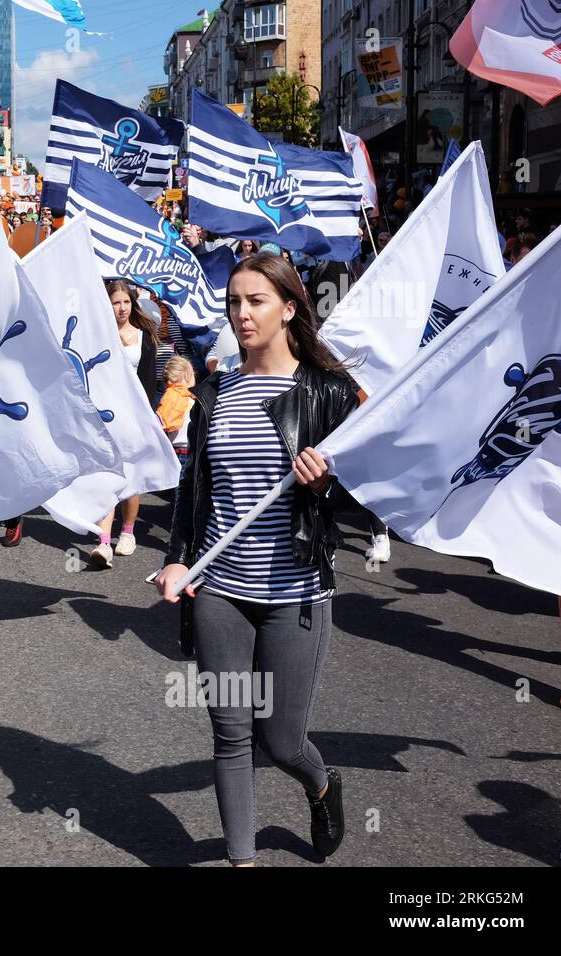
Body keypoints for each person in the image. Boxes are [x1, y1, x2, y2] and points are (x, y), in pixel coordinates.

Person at [155, 252, 357, 867]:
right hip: (220, 591)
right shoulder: (215, 392)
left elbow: (362, 496)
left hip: (295, 593)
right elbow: (196, 491)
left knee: (281, 739)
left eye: (256, 301)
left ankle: (322, 786)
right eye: (234, 302)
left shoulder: (325, 392)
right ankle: (242, 861)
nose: (242, 314)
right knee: (231, 734)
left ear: (290, 308)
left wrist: (325, 485)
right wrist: (177, 559)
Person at [91, 279, 159, 569]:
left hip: (135, 413)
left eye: (126, 302)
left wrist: (148, 414)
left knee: (132, 473)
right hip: (106, 413)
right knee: (108, 474)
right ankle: (103, 541)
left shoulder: (144, 335)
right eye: (116, 302)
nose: (121, 308)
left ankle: (127, 532)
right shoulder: (99, 335)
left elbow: (149, 380)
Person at [156, 355, 195, 458]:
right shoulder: (187, 400)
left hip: (173, 451)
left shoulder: (167, 397)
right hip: (186, 452)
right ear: (187, 375)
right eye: (193, 375)